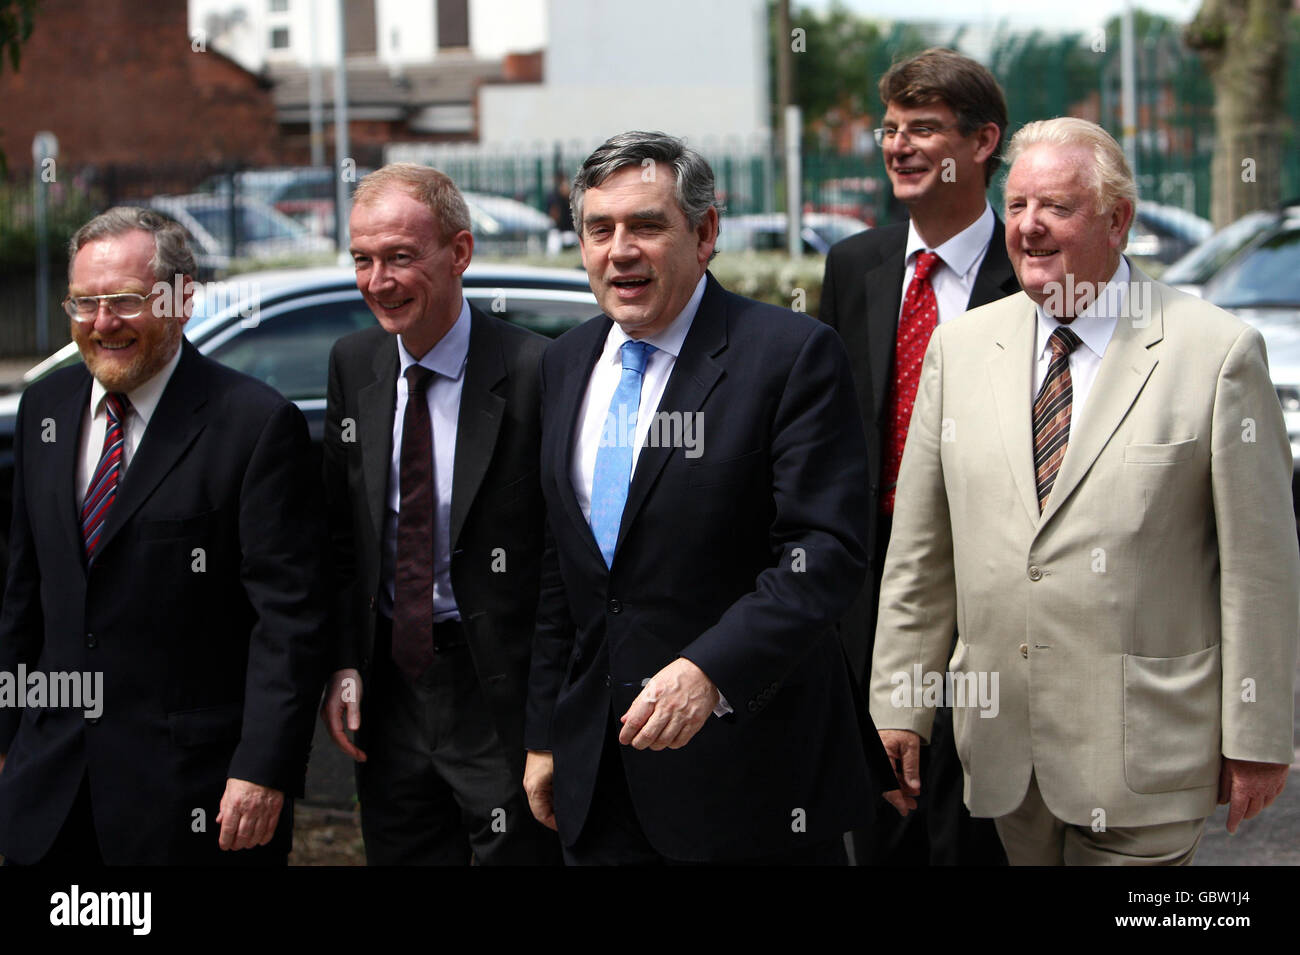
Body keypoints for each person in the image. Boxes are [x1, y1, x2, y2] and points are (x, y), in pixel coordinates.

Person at [869, 117, 1299, 865]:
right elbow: (921, 555)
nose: (1029, 228)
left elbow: (1259, 568)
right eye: (1016, 206)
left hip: (1147, 751)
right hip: (1002, 752)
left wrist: (1258, 735)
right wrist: (899, 705)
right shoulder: (962, 347)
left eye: (1056, 208)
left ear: (1117, 219)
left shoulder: (1216, 352)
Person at [523, 130, 893, 865]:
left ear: (706, 232)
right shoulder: (564, 362)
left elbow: (824, 553)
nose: (620, 250)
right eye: (600, 229)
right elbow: (559, 571)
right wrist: (544, 732)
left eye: (647, 225)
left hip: (751, 779)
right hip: (601, 780)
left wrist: (710, 669)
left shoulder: (791, 355)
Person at [0, 207, 329, 865]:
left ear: (182, 303)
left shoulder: (255, 426)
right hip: (51, 790)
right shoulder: (47, 408)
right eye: (85, 302)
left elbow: (287, 623)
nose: (101, 323)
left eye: (124, 300)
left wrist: (263, 767)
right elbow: (25, 593)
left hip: (193, 801)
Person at [320, 163, 559, 865]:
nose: (377, 281)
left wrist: (547, 719)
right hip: (389, 690)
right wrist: (343, 664)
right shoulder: (352, 362)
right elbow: (342, 536)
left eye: (399, 257)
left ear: (459, 253)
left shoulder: (535, 372)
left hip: (496, 695)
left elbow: (561, 561)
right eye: (362, 259)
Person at [820, 47, 1016, 866]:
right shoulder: (855, 265)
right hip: (866, 595)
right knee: (876, 822)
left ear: (981, 143)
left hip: (987, 595)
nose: (899, 146)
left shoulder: (1030, 277)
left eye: (924, 129)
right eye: (891, 129)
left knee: (974, 825)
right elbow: (828, 437)